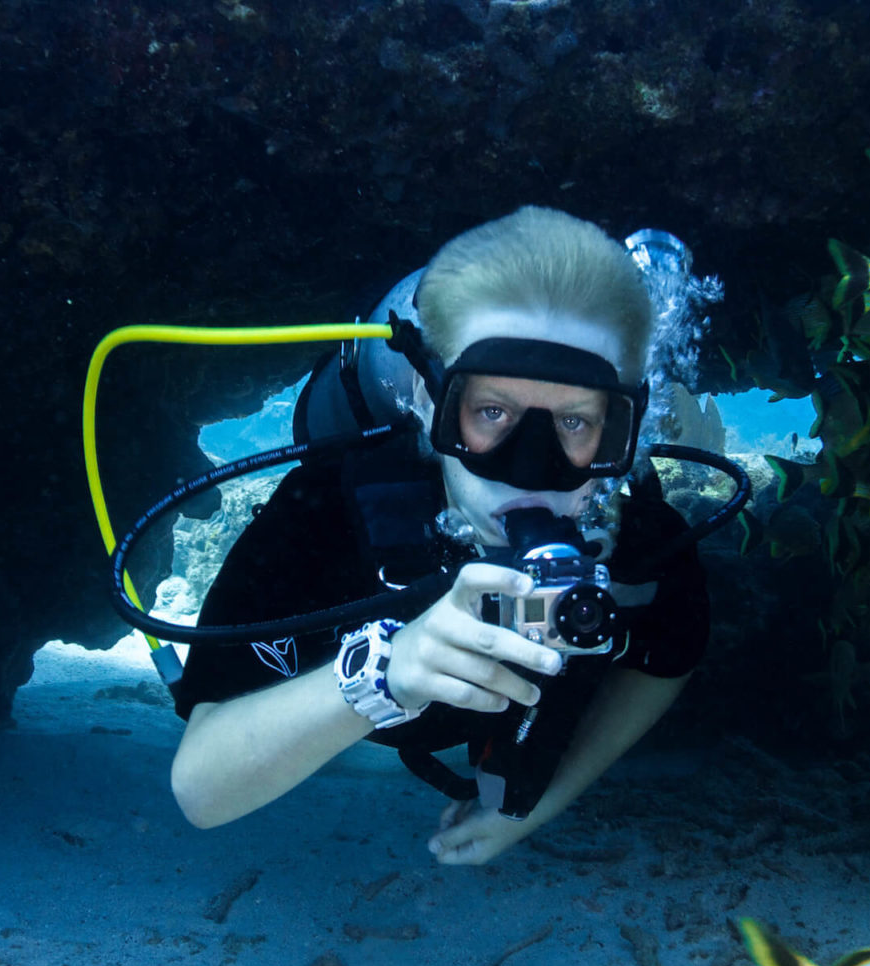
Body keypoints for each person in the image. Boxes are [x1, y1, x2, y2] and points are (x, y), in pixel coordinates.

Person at [168, 207, 710, 865]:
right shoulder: (327, 517)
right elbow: (201, 787)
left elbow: (668, 654)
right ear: (428, 405)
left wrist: (542, 801)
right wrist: (383, 673)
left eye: (575, 423)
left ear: (623, 430)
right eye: (489, 412)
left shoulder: (642, 546)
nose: (528, 472)